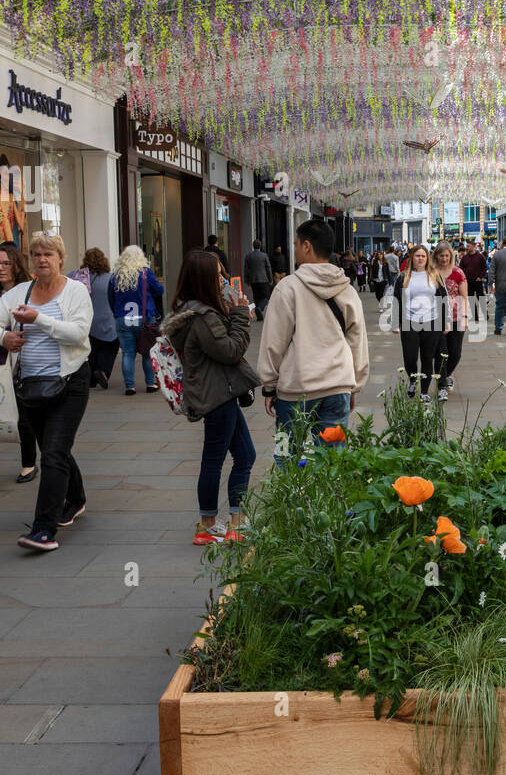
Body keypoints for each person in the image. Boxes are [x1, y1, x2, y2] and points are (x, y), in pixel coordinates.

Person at [0, 232, 93, 552]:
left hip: (71, 385)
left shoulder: (76, 292)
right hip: (31, 388)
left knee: (52, 452)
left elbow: (79, 333)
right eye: (36, 254)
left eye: (48, 254)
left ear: (60, 259)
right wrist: (4, 338)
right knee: (58, 450)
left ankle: (43, 529)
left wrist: (38, 319)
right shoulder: (16, 295)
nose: (42, 259)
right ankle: (76, 498)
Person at [163, 251, 259, 545]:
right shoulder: (203, 317)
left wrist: (233, 316)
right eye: (217, 275)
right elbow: (230, 351)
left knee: (244, 455)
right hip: (217, 395)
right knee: (216, 459)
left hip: (217, 392)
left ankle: (233, 522)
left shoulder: (198, 312)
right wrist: (241, 317)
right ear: (204, 279)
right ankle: (210, 525)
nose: (222, 280)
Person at [259, 219, 368, 455]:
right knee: (332, 460)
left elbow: (273, 342)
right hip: (337, 386)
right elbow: (357, 341)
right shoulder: (347, 290)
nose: (295, 248)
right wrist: (354, 385)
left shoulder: (287, 288)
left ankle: (294, 494)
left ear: (307, 246)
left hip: (295, 390)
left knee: (287, 457)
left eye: (296, 243)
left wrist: (269, 386)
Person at [0, 240, 38, 483]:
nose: (1, 268)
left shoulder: (26, 291)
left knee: (22, 414)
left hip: (18, 363)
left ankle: (28, 463)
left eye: (6, 263)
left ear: (16, 265)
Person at [391, 244, 450, 400]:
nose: (420, 258)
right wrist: (395, 323)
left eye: (423, 256)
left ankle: (424, 392)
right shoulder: (403, 277)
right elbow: (396, 300)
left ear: (427, 258)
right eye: (417, 255)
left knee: (427, 358)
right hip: (410, 321)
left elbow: (443, 299)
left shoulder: (434, 275)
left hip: (432, 321)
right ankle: (412, 379)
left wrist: (446, 322)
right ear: (412, 257)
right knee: (410, 358)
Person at [107, 246, 164, 395]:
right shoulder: (146, 273)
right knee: (147, 352)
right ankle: (150, 384)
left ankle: (129, 386)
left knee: (127, 353)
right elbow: (160, 290)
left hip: (123, 319)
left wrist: (117, 314)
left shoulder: (115, 276)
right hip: (145, 319)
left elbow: (110, 298)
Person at [432, 242, 468, 399]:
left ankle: (445, 376)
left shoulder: (458, 272)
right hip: (436, 319)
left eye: (447, 255)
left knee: (455, 353)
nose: (444, 258)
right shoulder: (431, 273)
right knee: (441, 353)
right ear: (436, 256)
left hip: (455, 317)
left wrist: (465, 318)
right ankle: (441, 386)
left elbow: (465, 298)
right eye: (441, 255)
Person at [81, 248, 119, 389]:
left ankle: (91, 378)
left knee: (93, 349)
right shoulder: (111, 278)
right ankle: (102, 371)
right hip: (108, 321)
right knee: (110, 347)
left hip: (88, 322)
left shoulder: (79, 277)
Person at [243, 239, 273, 321]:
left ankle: (259, 315)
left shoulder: (248, 256)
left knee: (256, 296)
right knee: (266, 296)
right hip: (263, 279)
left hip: (253, 279)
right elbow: (268, 268)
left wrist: (246, 280)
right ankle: (259, 308)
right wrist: (270, 279)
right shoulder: (264, 255)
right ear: (260, 246)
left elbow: (246, 269)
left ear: (253, 246)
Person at [459, 240, 488, 322]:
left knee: (481, 298)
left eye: (468, 246)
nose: (467, 248)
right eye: (466, 246)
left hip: (478, 281)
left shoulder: (480, 256)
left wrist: (480, 276)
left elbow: (485, 268)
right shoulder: (465, 258)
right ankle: (475, 316)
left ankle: (485, 314)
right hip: (468, 282)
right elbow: (460, 269)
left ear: (473, 246)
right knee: (471, 299)